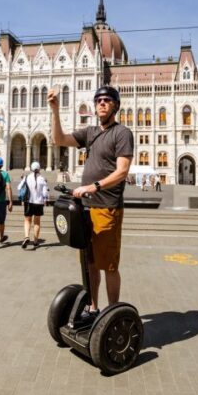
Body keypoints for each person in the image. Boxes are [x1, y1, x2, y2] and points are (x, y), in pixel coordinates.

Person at [49, 84, 133, 320]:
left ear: (115, 105)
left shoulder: (122, 133)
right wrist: (55, 110)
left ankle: (113, 314)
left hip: (107, 208)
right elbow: (59, 139)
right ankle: (94, 308)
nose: (102, 103)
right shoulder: (91, 133)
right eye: (98, 100)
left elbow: (122, 172)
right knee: (90, 264)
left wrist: (92, 187)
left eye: (107, 100)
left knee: (109, 266)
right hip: (86, 209)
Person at [18, 161, 49, 250]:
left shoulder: (27, 177)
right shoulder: (42, 179)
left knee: (27, 220)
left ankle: (27, 237)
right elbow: (45, 192)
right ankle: (35, 242)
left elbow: (19, 187)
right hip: (38, 203)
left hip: (28, 202)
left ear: (31, 169)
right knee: (37, 222)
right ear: (39, 169)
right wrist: (45, 200)